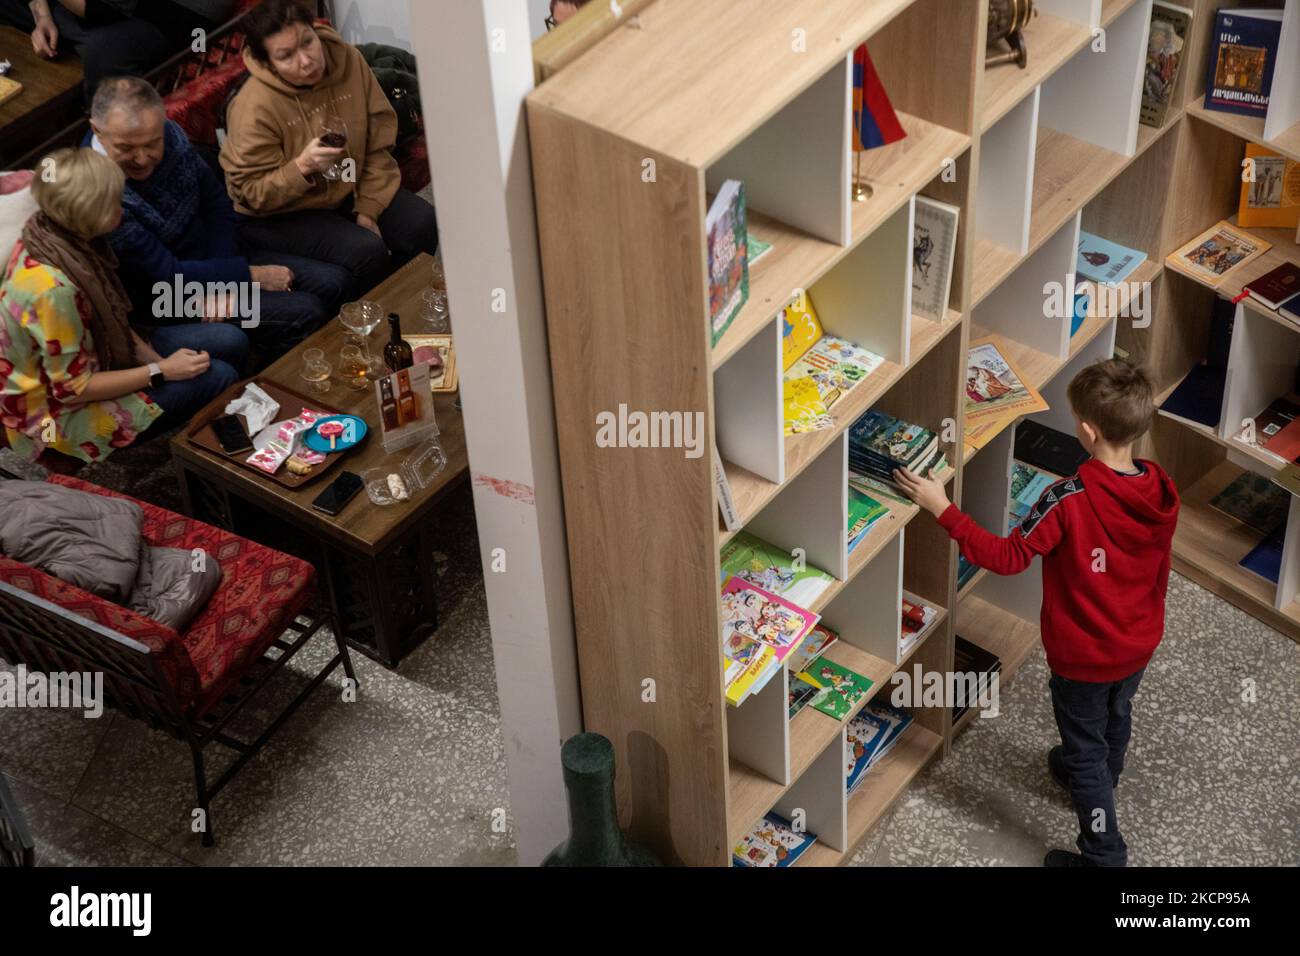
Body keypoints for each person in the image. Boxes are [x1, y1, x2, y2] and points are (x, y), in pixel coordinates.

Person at [893, 359, 1180, 867]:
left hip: (1084, 658)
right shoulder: (1160, 491)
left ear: (1087, 432)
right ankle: (1097, 778)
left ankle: (1103, 853)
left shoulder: (1066, 499)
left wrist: (942, 507)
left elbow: (1005, 558)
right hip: (1138, 642)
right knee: (1117, 714)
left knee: (1085, 746)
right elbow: (1158, 567)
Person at [0, 148, 247, 464]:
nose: (121, 208)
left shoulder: (51, 233)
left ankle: (225, 434)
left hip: (97, 355)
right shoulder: (53, 291)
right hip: (56, 417)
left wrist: (160, 363)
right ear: (87, 214)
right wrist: (161, 371)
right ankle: (211, 460)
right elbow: (73, 388)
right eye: (113, 203)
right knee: (219, 375)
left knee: (231, 339)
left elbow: (107, 318)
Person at [88, 76, 349, 361]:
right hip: (166, 298)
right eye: (126, 148)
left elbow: (217, 205)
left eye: (152, 144)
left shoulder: (171, 135)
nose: (142, 158)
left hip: (218, 263)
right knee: (304, 311)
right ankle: (272, 383)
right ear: (97, 132)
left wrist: (224, 279)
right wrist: (245, 279)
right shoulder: (99, 189)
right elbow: (165, 274)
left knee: (332, 281)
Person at [220, 0, 438, 297]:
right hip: (284, 210)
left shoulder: (347, 60)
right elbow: (251, 194)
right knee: (367, 251)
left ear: (315, 31)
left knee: (422, 222)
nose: (306, 60)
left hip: (347, 182)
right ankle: (366, 321)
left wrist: (368, 209)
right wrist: (302, 168)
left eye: (308, 42)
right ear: (269, 63)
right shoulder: (252, 107)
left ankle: (404, 302)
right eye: (287, 56)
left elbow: (378, 138)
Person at [0, 0, 235, 102]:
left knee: (104, 52)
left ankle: (107, 148)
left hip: (186, 14)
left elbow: (93, 9)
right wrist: (42, 15)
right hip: (111, 9)